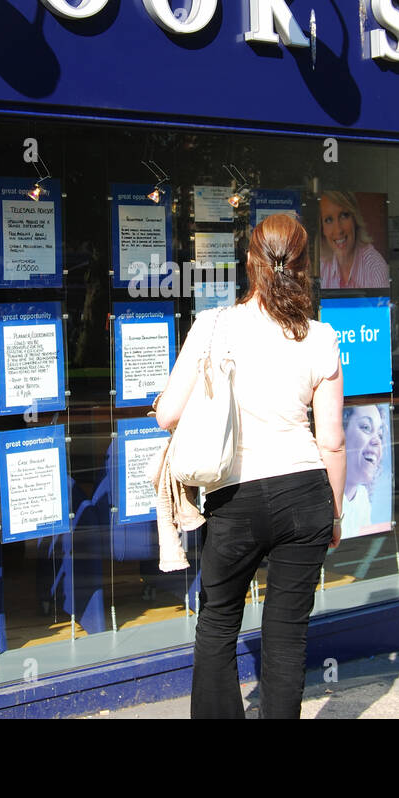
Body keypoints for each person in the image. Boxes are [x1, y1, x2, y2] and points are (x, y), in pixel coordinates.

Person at [153, 213, 345, 719]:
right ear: (304, 266)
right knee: (287, 633)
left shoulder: (214, 326)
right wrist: (336, 513)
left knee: (217, 622)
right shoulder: (321, 337)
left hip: (235, 499)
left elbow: (169, 415)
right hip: (305, 493)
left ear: (249, 263)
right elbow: (333, 441)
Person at [318, 190, 388, 290]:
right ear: (322, 229)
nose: (338, 230)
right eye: (329, 220)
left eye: (344, 215)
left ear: (355, 219)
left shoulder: (376, 269)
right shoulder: (320, 267)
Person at [339, 404, 389, 539]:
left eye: (379, 434)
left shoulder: (362, 498)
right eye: (366, 428)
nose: (377, 442)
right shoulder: (321, 497)